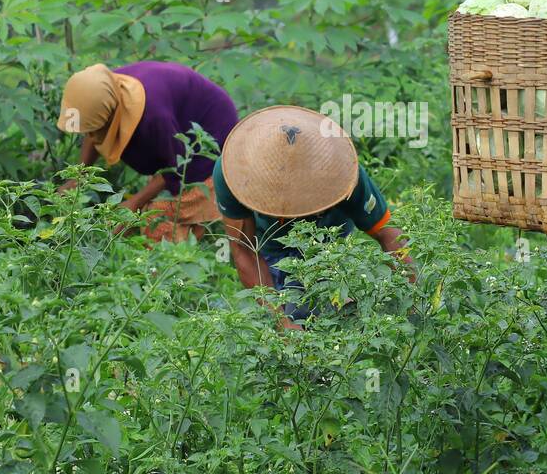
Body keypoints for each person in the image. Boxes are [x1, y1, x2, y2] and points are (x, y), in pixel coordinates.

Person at [211, 105, 413, 330]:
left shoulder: (345, 173)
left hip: (328, 238)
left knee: (333, 310)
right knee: (287, 314)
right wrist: (282, 323)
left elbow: (389, 235)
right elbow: (244, 250)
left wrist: (416, 303)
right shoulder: (234, 171)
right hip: (269, 246)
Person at [56, 61, 238, 242]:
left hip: (210, 135)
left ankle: (170, 261)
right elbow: (92, 130)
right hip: (178, 125)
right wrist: (78, 177)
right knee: (152, 206)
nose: (91, 134)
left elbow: (174, 167)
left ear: (110, 114)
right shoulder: (102, 91)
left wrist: (134, 204)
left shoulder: (154, 117)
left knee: (161, 215)